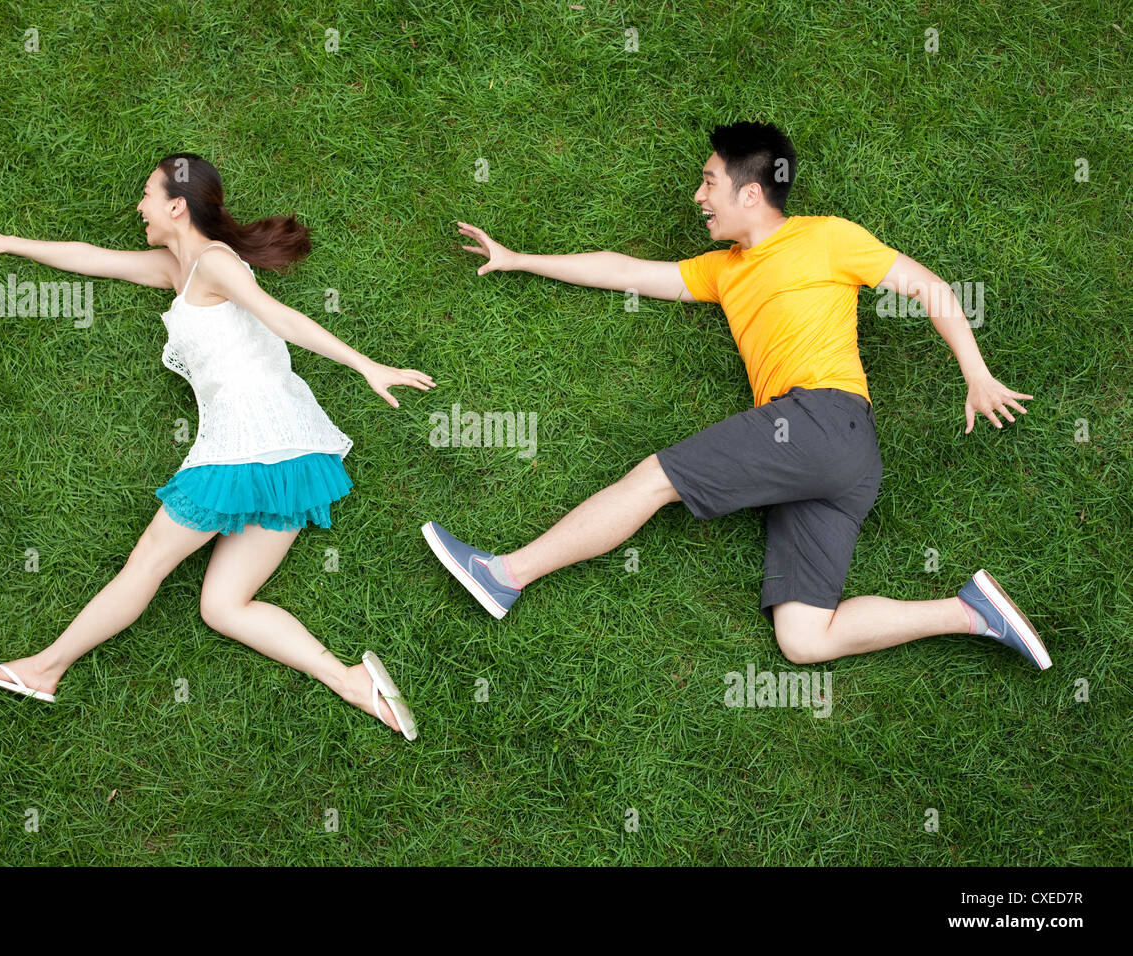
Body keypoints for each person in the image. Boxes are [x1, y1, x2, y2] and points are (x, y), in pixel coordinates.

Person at [422, 121, 1050, 670]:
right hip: (845, 461)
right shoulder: (724, 269)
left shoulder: (827, 237)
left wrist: (976, 373)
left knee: (653, 479)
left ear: (751, 191)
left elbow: (928, 287)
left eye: (708, 183)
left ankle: (505, 576)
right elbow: (625, 270)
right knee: (805, 639)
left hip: (818, 419)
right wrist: (522, 258)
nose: (699, 197)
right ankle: (970, 613)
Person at [0, 152, 434, 737]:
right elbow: (94, 260)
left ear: (177, 205)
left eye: (148, 196)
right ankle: (356, 683)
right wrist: (7, 243)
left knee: (149, 561)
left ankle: (44, 669)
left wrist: (366, 365)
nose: (140, 207)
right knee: (224, 607)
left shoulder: (213, 261)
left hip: (245, 448)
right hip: (292, 453)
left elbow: (280, 317)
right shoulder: (178, 268)